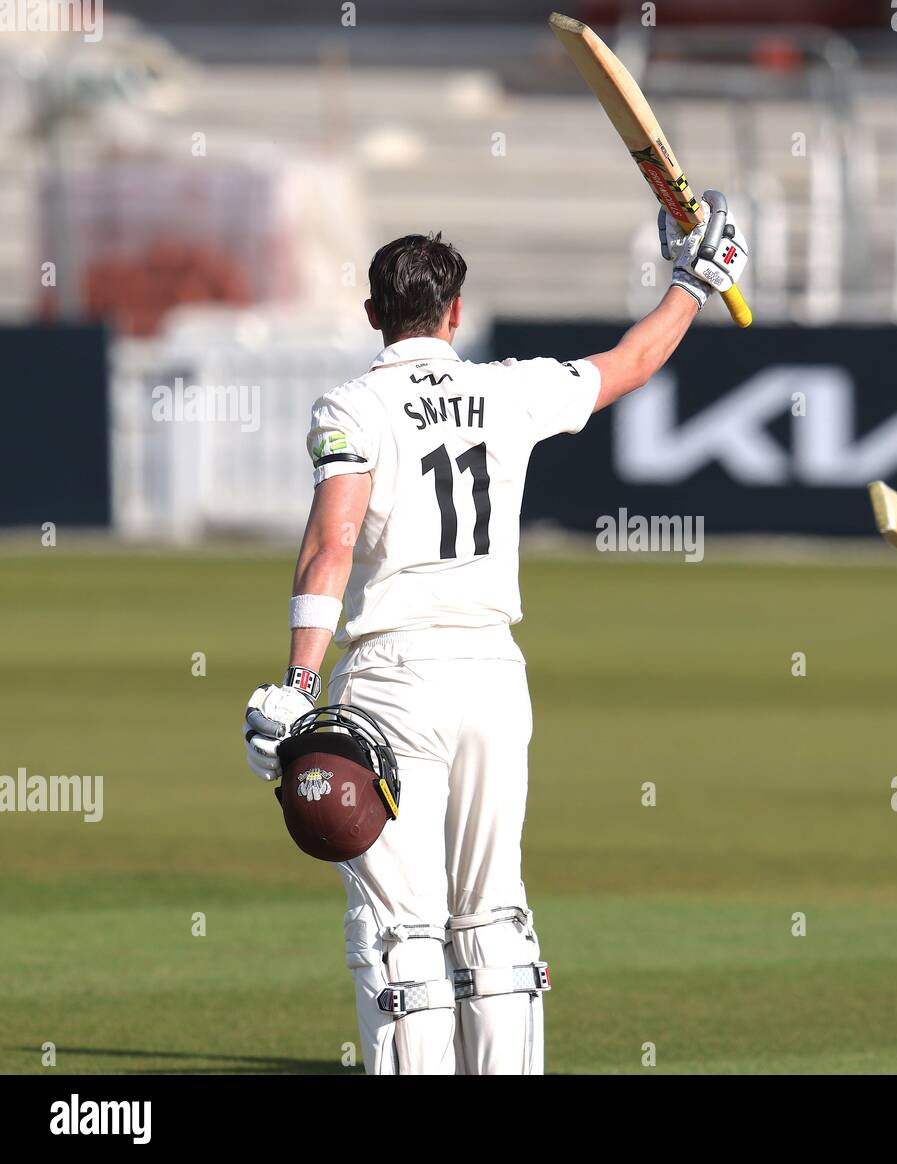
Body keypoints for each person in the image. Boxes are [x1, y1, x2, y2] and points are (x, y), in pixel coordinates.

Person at [240, 204, 748, 1075]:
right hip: (493, 675)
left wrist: (296, 682)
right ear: (456, 312)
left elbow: (332, 546)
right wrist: (695, 283)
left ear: (372, 315)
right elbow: (632, 362)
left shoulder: (350, 405)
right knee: (492, 916)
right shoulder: (507, 389)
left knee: (405, 928)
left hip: (396, 677)